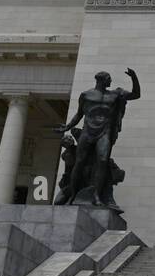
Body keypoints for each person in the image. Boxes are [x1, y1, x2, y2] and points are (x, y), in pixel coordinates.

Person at [57, 69, 140, 209]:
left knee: (102, 160)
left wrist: (134, 77)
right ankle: (73, 193)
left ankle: (96, 195)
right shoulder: (86, 95)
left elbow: (135, 94)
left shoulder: (115, 94)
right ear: (101, 80)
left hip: (105, 132)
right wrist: (67, 127)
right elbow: (79, 115)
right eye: (108, 79)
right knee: (79, 162)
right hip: (88, 131)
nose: (110, 81)